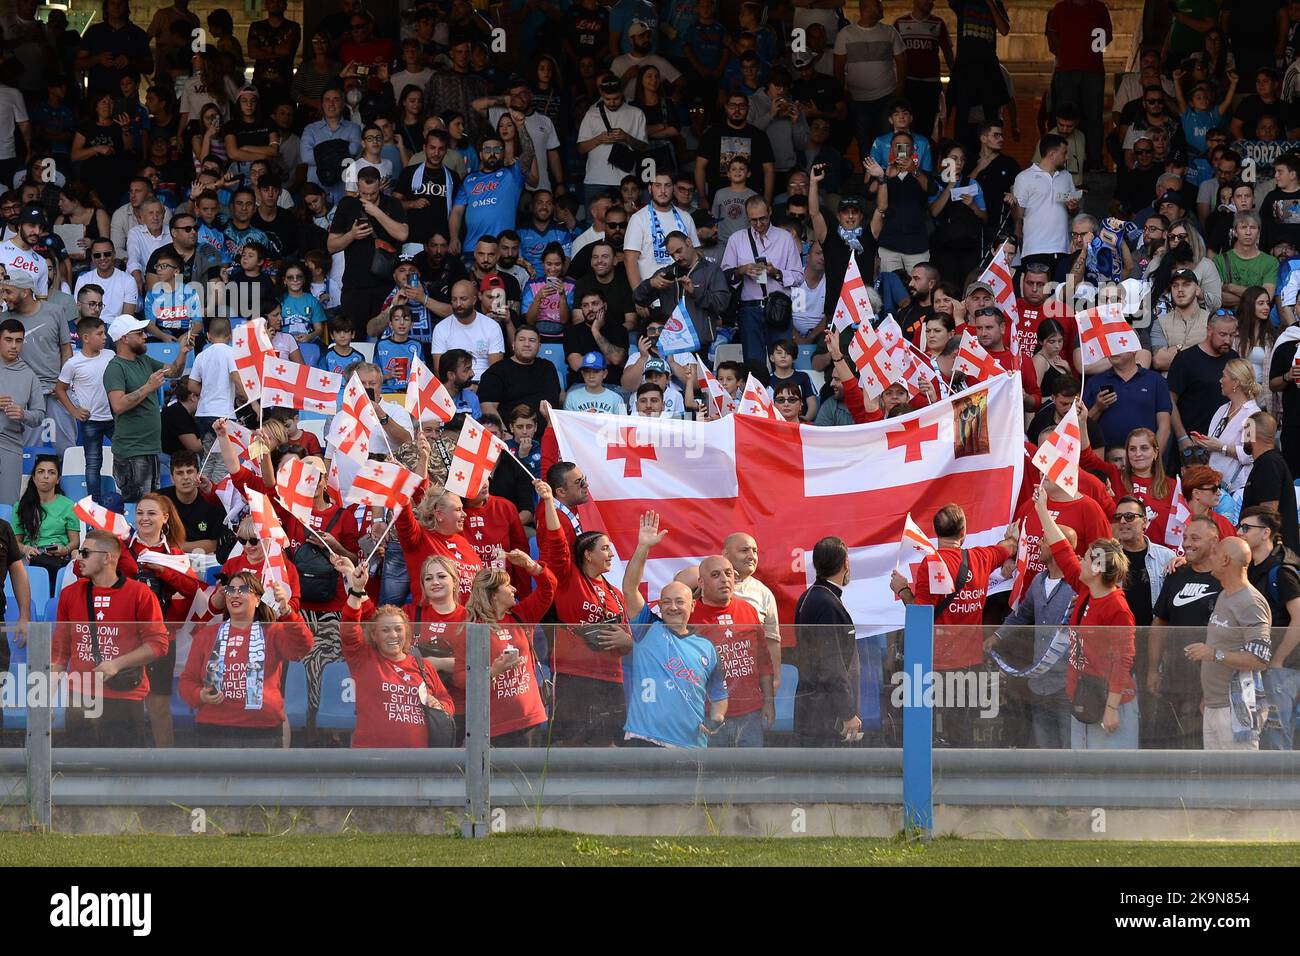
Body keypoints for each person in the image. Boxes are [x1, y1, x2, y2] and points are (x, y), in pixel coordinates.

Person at [889, 504, 1018, 746]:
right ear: (964, 532)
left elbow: (920, 614)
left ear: (936, 532)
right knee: (963, 732)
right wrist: (1013, 535)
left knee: (927, 733)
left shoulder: (931, 565)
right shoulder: (981, 558)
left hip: (935, 664)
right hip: (970, 664)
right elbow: (1008, 547)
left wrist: (903, 589)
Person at [1031, 484, 1137, 749]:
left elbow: (1124, 660)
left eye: (1088, 558)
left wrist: (1111, 707)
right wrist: (1042, 509)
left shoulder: (1117, 607)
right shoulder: (1085, 590)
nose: (1081, 560)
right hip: (1084, 694)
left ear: (1099, 569)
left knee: (1107, 776)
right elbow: (1062, 550)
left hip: (1110, 703)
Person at [536, 473, 630, 746]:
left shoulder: (616, 594)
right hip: (575, 675)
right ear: (588, 554)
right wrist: (548, 502)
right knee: (572, 743)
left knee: (609, 744)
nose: (611, 554)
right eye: (605, 548)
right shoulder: (570, 579)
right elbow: (556, 543)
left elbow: (626, 639)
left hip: (611, 679)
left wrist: (627, 641)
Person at [619, 510, 726, 748]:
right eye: (666, 602)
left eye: (680, 602)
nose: (673, 607)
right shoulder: (646, 628)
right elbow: (629, 588)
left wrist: (717, 717)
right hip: (644, 741)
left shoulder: (706, 647)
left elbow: (719, 695)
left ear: (693, 605)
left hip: (691, 746)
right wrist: (643, 547)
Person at [53, 530, 168, 748]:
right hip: (80, 695)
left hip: (125, 696)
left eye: (85, 553)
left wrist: (116, 664)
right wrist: (47, 697)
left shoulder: (140, 594)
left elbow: (158, 644)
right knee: (79, 770)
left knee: (126, 773)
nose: (78, 558)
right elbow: (60, 648)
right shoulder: (70, 594)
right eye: (79, 552)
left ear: (108, 557)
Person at [335, 557, 458, 747]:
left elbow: (446, 699)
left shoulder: (421, 665)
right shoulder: (364, 659)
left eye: (398, 629)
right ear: (374, 636)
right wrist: (356, 590)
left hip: (418, 762)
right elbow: (349, 630)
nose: (393, 635)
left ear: (407, 632)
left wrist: (440, 706)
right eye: (385, 630)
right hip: (373, 759)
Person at [178, 572, 310, 747]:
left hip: (263, 731)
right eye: (231, 589)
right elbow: (187, 681)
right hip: (213, 730)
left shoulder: (273, 632)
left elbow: (304, 646)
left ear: (257, 600)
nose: (235, 594)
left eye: (243, 589)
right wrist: (200, 695)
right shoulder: (207, 634)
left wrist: (286, 611)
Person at [989, 523, 1078, 748]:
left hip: (1067, 684)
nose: (1038, 543)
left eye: (1045, 540)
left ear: (1060, 546)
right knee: (1044, 748)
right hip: (1039, 682)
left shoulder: (1079, 584)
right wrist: (996, 637)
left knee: (1069, 746)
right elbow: (1021, 615)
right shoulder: (1038, 580)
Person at [1187, 536, 1272, 750]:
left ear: (1225, 559)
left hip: (1237, 710)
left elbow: (1259, 659)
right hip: (1215, 706)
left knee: (1240, 779)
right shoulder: (1225, 595)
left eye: (1214, 554)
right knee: (1215, 780)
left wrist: (1214, 654)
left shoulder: (1251, 602)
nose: (1210, 558)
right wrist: (1208, 697)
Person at [1148, 515, 1223, 750]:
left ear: (1214, 541)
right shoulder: (1176, 574)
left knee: (1203, 747)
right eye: (1185, 537)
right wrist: (1152, 669)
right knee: (1168, 745)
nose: (1186, 543)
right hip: (1174, 678)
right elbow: (1159, 624)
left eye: (1195, 538)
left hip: (1211, 681)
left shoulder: (1226, 577)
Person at [103, 315, 192, 502]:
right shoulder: (115, 368)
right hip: (132, 451)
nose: (145, 336)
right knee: (139, 507)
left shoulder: (143, 360)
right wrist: (148, 387)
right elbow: (118, 405)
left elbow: (173, 372)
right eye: (139, 333)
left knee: (150, 505)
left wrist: (182, 353)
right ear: (124, 339)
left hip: (150, 448)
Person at [1236, 506, 1300, 751]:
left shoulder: (1282, 570)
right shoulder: (1250, 567)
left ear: (1265, 533)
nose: (1240, 532)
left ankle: (1279, 788)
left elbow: (1298, 618)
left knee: (1275, 735)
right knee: (1256, 736)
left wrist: (1278, 660)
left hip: (1282, 669)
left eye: (1246, 527)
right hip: (1258, 664)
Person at [792, 536, 861, 747]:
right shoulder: (826, 603)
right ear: (845, 564)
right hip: (825, 715)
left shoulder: (811, 596)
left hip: (814, 707)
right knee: (828, 776)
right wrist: (847, 712)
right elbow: (832, 666)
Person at [327, 166, 410, 337]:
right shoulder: (347, 205)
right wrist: (352, 235)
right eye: (364, 193)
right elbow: (331, 246)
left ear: (380, 185)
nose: (369, 197)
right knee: (354, 338)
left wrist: (377, 212)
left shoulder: (392, 204)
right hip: (355, 286)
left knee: (385, 338)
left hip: (385, 285)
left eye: (373, 193)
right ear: (357, 186)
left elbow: (402, 234)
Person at [722, 196, 804, 363]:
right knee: (753, 365)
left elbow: (799, 277)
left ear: (770, 212)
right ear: (747, 216)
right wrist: (742, 270)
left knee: (783, 362)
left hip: (778, 307)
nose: (759, 224)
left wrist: (776, 273)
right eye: (753, 220)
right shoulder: (736, 239)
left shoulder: (785, 238)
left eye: (762, 218)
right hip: (749, 309)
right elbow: (725, 275)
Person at [54, 315, 115, 504]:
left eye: (104, 332)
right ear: (86, 338)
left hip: (114, 417)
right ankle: (94, 505)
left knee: (124, 457)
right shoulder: (73, 363)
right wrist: (74, 411)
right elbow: (59, 388)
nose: (105, 337)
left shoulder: (110, 355)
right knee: (93, 463)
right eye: (100, 333)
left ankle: (123, 498)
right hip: (91, 420)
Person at [834, 0, 906, 157]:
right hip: (858, 100)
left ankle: (891, 179)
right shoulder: (845, 34)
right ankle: (871, 179)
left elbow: (902, 61)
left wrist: (899, 89)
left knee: (889, 141)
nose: (882, 7)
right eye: (878, 5)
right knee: (865, 143)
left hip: (886, 97)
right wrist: (843, 92)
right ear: (866, 8)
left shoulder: (890, 32)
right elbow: (838, 68)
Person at [1083, 342, 1174, 452]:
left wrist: (1154, 459)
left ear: (1134, 350)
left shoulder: (1156, 380)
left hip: (1144, 459)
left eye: (1118, 345)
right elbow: (1082, 426)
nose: (1112, 351)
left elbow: (1164, 427)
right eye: (1110, 346)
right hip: (1105, 460)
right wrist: (1098, 407)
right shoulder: (1094, 381)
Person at [1010, 132, 1078, 271]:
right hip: (1035, 249)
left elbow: (1073, 213)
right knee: (1036, 292)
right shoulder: (1024, 177)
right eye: (1064, 153)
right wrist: (1012, 203)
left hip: (1063, 248)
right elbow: (1018, 216)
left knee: (1062, 291)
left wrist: (1073, 207)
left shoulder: (1067, 176)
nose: (1067, 157)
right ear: (1052, 155)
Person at [12, 453, 78, 593]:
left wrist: (64, 549)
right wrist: (26, 549)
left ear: (58, 479)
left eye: (51, 472)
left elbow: (75, 541)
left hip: (59, 559)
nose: (46, 476)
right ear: (34, 478)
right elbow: (15, 542)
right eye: (41, 472)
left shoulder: (68, 505)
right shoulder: (21, 506)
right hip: (31, 559)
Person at [1241, 411, 1300, 553]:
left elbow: (1268, 514)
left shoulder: (1269, 463)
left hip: (1272, 556)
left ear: (1250, 432)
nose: (1242, 437)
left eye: (1245, 431)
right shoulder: (1267, 462)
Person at [0, 318, 43, 506]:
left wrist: (23, 414)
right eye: (8, 340)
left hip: (11, 444)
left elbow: (39, 414)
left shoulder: (29, 375)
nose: (14, 345)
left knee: (8, 505)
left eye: (18, 341)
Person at [158, 450, 228, 555]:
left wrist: (177, 545)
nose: (185, 477)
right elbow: (153, 540)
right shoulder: (160, 500)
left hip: (206, 557)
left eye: (189, 471)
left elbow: (215, 544)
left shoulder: (212, 500)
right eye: (180, 473)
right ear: (172, 478)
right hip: (169, 556)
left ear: (198, 475)